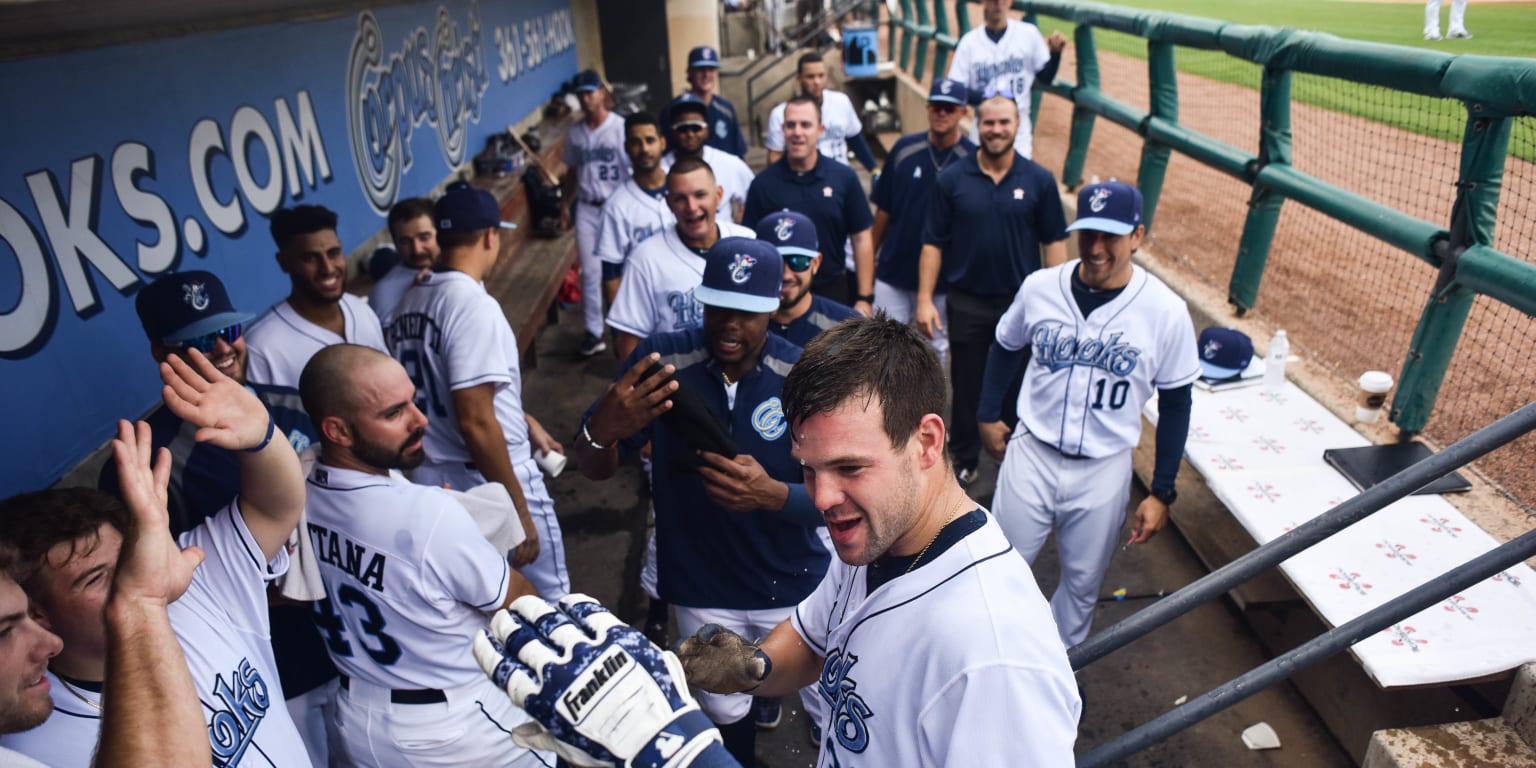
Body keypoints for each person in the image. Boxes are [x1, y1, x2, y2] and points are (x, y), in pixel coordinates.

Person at [477, 316, 1082, 767]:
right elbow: (817, 640)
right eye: (808, 469)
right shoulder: (880, 536)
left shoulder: (995, 659)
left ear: (926, 443)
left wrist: (681, 755)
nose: (820, 499)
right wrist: (752, 665)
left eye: (849, 468)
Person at [571, 238, 830, 766]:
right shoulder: (661, 360)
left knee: (831, 711)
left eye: (746, 312)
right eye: (718, 307)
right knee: (723, 716)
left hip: (795, 586)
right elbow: (592, 466)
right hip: (701, 586)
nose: (729, 325)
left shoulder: (805, 372)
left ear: (772, 307)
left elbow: (843, 496)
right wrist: (602, 431)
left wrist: (773, 495)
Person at [0, 348, 313, 766]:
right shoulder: (31, 737)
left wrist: (263, 437)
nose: (135, 576)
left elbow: (274, 507)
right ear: (37, 612)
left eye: (127, 558)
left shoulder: (186, 583)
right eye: (94, 578)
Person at [95, 270, 338, 766]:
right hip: (271, 666)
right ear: (161, 353)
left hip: (348, 637)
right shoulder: (150, 461)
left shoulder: (293, 406)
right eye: (201, 341)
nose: (225, 349)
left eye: (228, 330)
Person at [297, 344, 549, 767]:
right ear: (337, 431)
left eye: (412, 401)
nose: (420, 420)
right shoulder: (429, 515)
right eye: (393, 413)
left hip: (358, 722)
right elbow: (524, 608)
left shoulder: (293, 489)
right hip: (460, 728)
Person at [978, 180, 1199, 650]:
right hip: (1031, 454)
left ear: (1137, 237)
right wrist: (986, 411)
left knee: (1080, 589)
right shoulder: (1041, 287)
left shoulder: (1165, 312)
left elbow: (1177, 402)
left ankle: (1058, 676)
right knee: (996, 568)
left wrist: (1162, 491)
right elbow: (1005, 344)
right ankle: (992, 662)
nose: (1096, 248)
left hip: (1104, 468)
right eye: (1088, 234)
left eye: (1111, 237)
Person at [385, 182, 570, 600]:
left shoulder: (410, 301)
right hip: (489, 478)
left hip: (435, 478)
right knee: (552, 603)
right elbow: (475, 418)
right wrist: (518, 511)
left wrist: (525, 420)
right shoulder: (471, 306)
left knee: (482, 606)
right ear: (491, 235)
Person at [916, 92, 1068, 486]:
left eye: (1004, 122)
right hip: (966, 301)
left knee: (1021, 384)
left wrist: (1061, 302)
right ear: (976, 125)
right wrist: (924, 299)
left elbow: (1054, 241)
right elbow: (932, 242)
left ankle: (1015, 456)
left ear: (1018, 126)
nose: (996, 130)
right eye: (989, 122)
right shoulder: (951, 180)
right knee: (966, 384)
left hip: (1023, 303)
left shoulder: (1039, 180)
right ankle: (965, 456)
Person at [870, 77, 976, 366]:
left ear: (963, 112)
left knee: (933, 352)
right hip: (893, 272)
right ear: (927, 108)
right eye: (936, 106)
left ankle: (932, 411)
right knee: (880, 349)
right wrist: (867, 268)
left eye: (949, 108)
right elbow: (883, 213)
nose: (942, 113)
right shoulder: (905, 149)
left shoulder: (972, 160)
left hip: (942, 281)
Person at [606, 158, 755, 362]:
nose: (691, 207)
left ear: (718, 195)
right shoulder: (645, 258)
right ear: (668, 202)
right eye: (680, 198)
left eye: (700, 195)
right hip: (677, 384)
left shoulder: (749, 242)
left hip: (744, 380)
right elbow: (629, 342)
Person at [744, 96, 875, 311]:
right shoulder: (762, 184)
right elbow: (751, 244)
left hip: (832, 290)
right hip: (779, 294)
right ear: (782, 129)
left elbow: (861, 238)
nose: (797, 132)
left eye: (805, 125)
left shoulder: (844, 178)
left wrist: (864, 297)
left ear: (820, 130)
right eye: (790, 125)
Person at [244, 205, 389, 385]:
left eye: (333, 253)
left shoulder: (359, 309)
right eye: (310, 258)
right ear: (283, 262)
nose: (327, 268)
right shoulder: (261, 346)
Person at [561, 69, 630, 357]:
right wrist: (565, 204)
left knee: (626, 269)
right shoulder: (575, 134)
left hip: (617, 206)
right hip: (587, 207)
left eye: (590, 92)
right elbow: (572, 172)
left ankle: (626, 325)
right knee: (590, 273)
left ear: (602, 92)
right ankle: (593, 331)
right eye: (582, 94)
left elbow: (634, 169)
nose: (586, 98)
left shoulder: (620, 127)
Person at [945, 0, 1067, 158]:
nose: (998, 3)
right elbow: (956, 89)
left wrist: (1055, 54)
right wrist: (989, 99)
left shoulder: (1028, 34)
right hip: (984, 125)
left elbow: (1045, 78)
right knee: (983, 178)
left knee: (1018, 180)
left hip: (1018, 128)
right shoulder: (969, 43)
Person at [594, 112, 673, 308]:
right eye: (636, 142)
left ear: (662, 143)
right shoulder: (616, 206)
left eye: (650, 140)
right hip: (643, 306)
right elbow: (611, 275)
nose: (644, 149)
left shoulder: (685, 189)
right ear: (626, 148)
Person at [757, 210, 858, 349]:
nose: (786, 275)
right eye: (775, 262)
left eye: (798, 261)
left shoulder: (847, 327)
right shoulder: (741, 326)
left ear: (816, 263)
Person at [765, 52, 877, 172]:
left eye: (821, 75)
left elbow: (855, 139)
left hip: (840, 177)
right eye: (810, 76)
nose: (817, 82)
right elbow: (774, 156)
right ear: (799, 78)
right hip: (804, 180)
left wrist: (874, 170)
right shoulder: (782, 113)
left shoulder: (841, 101)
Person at [662, 93, 755, 227]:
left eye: (696, 127)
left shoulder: (729, 163)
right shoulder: (660, 169)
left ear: (707, 130)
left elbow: (756, 196)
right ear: (672, 132)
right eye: (682, 129)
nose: (690, 134)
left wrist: (743, 221)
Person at [659, 46, 748, 157]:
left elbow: (738, 152)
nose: (706, 75)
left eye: (711, 69)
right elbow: (665, 154)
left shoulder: (726, 109)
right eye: (700, 69)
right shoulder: (673, 109)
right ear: (689, 72)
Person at [369, 197, 440, 322]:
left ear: (439, 233)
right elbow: (388, 340)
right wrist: (414, 297)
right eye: (405, 242)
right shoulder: (384, 292)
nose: (417, 249)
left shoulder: (461, 268)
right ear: (395, 243)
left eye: (424, 237)